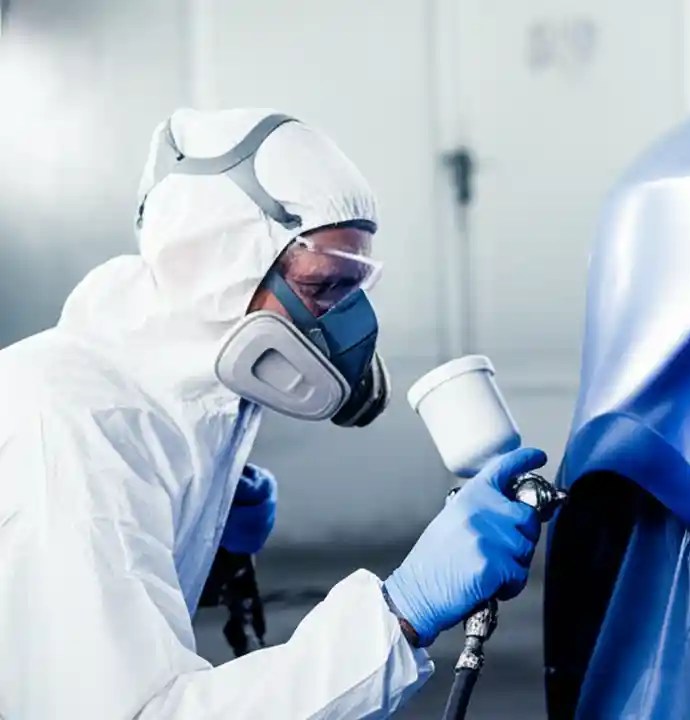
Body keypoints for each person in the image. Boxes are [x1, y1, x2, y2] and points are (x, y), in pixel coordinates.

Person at [0, 108, 545, 718]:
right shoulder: (78, 433)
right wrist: (399, 615)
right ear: (219, 275)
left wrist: (194, 529)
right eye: (323, 288)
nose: (347, 328)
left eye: (355, 287)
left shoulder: (169, 403)